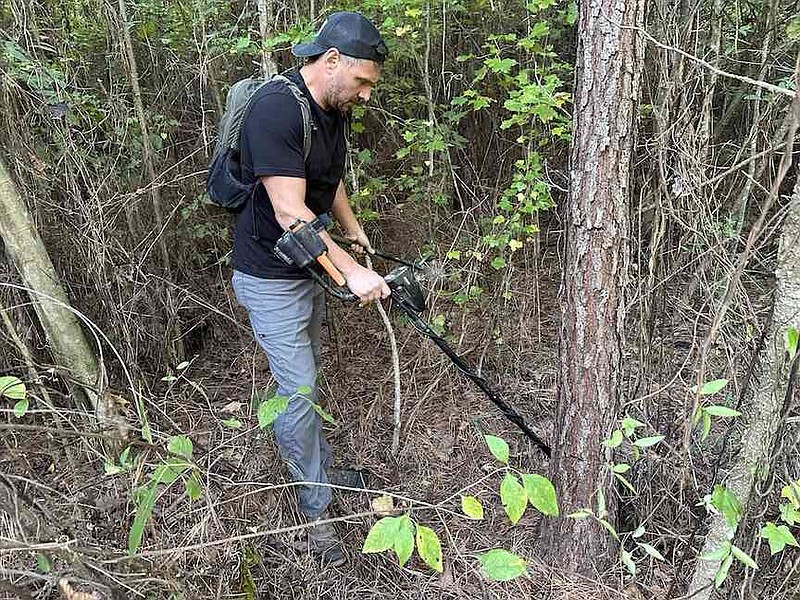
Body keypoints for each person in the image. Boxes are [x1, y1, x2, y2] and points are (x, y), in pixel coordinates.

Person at [230, 12, 391, 567]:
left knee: (306, 377)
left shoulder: (332, 108)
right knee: (298, 392)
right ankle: (316, 506)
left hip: (309, 267)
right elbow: (289, 208)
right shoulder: (276, 108)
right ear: (330, 62)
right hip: (270, 276)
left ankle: (316, 470)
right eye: (363, 81)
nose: (367, 94)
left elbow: (328, 177)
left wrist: (350, 227)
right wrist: (351, 272)